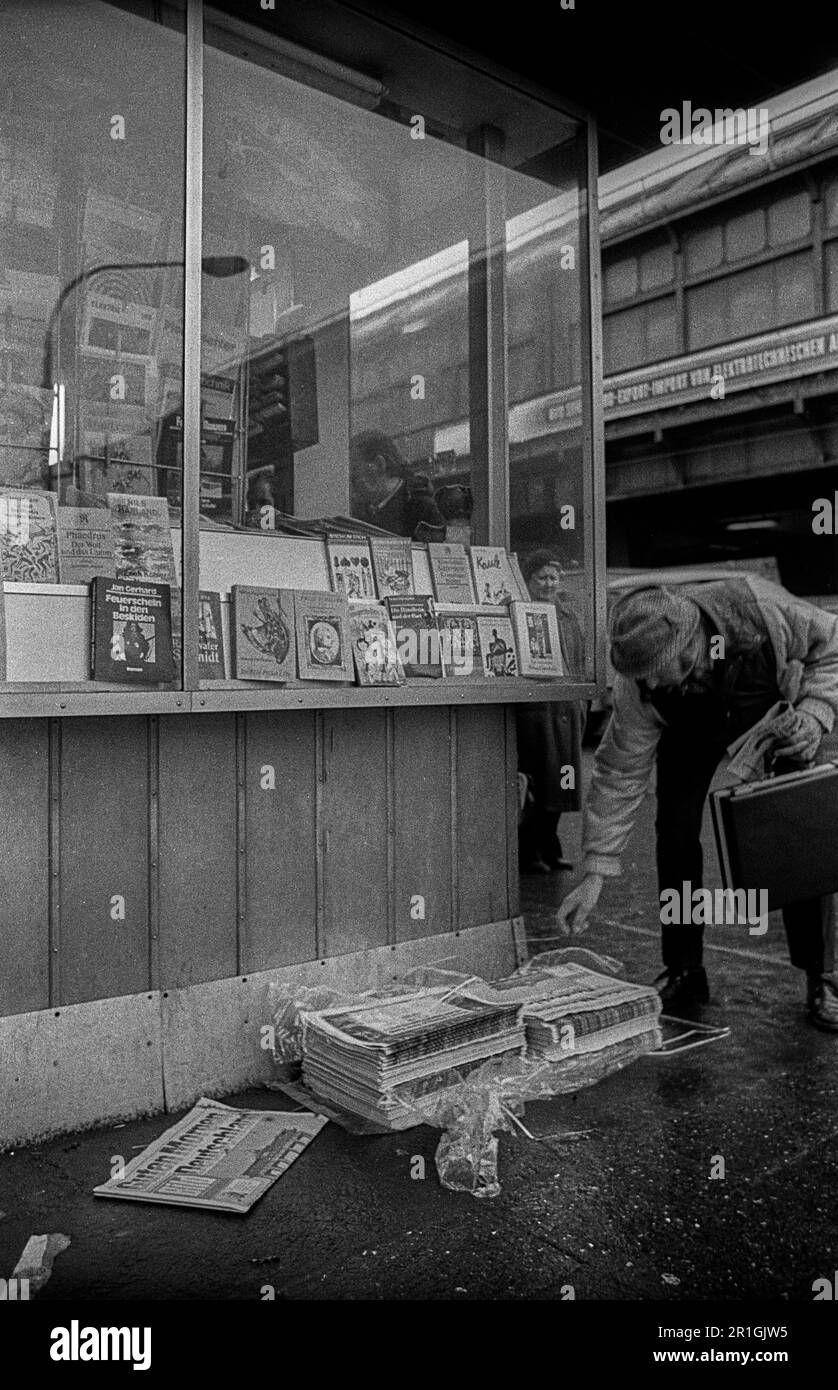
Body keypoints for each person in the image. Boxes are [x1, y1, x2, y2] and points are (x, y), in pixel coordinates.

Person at [555, 577, 838, 1031]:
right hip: (689, 726)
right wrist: (595, 868)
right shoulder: (644, 687)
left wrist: (816, 710)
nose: (645, 683)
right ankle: (685, 968)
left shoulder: (761, 610)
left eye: (652, 671)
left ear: (688, 649)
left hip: (772, 714)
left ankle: (823, 975)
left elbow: (833, 644)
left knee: (802, 833)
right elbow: (620, 772)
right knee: (675, 829)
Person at [516, 550, 586, 874]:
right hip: (540, 709)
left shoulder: (568, 617)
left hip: (566, 707)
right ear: (529, 581)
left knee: (561, 783)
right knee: (539, 782)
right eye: (541, 577)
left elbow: (580, 660)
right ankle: (529, 851)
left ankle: (550, 846)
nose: (548, 583)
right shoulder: (521, 612)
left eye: (553, 577)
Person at [350, 430, 445, 539]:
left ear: (380, 465)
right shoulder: (363, 511)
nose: (351, 482)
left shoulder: (423, 509)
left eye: (354, 470)